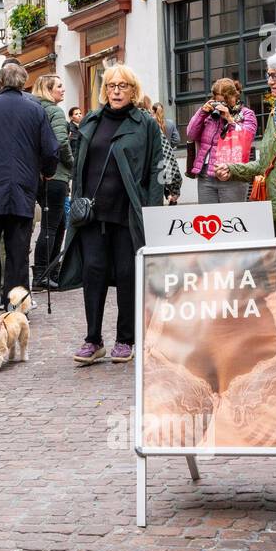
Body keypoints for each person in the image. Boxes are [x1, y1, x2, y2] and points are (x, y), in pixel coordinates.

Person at [59, 65, 163, 364]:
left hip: (127, 213)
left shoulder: (144, 123)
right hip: (93, 215)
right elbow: (79, 166)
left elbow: (157, 168)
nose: (116, 91)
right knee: (93, 274)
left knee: (128, 275)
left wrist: (152, 211)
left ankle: (125, 338)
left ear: (133, 90)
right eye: (112, 85)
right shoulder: (91, 120)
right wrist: (76, 200)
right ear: (105, 90)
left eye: (123, 86)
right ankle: (93, 339)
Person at [0, 61, 59, 318]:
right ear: (23, 83)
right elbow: (51, 149)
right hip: (22, 189)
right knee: (18, 252)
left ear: (0, 82)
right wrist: (47, 171)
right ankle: (16, 306)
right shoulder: (35, 109)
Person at [216, 47, 276, 268]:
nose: (270, 81)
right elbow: (265, 165)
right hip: (275, 211)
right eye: (268, 75)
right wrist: (232, 170)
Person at [31, 75, 74, 290]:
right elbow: (60, 142)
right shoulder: (54, 111)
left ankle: (49, 271)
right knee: (52, 225)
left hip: (37, 175)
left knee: (56, 223)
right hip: (54, 174)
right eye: (59, 86)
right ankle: (43, 273)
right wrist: (71, 163)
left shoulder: (32, 109)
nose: (63, 90)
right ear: (48, 89)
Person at [187, 79, 257, 203]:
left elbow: (245, 141)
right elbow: (191, 134)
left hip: (232, 175)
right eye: (218, 101)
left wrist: (230, 119)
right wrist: (202, 112)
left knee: (232, 217)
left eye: (224, 101)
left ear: (234, 96)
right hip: (206, 175)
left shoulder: (246, 114)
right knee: (209, 217)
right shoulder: (209, 114)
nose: (221, 104)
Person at [143, 97, 183, 205]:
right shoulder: (169, 123)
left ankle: (167, 195)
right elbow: (177, 139)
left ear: (153, 110)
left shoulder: (150, 122)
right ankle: (170, 196)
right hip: (167, 157)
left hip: (155, 157)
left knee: (159, 180)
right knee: (167, 178)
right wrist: (169, 146)